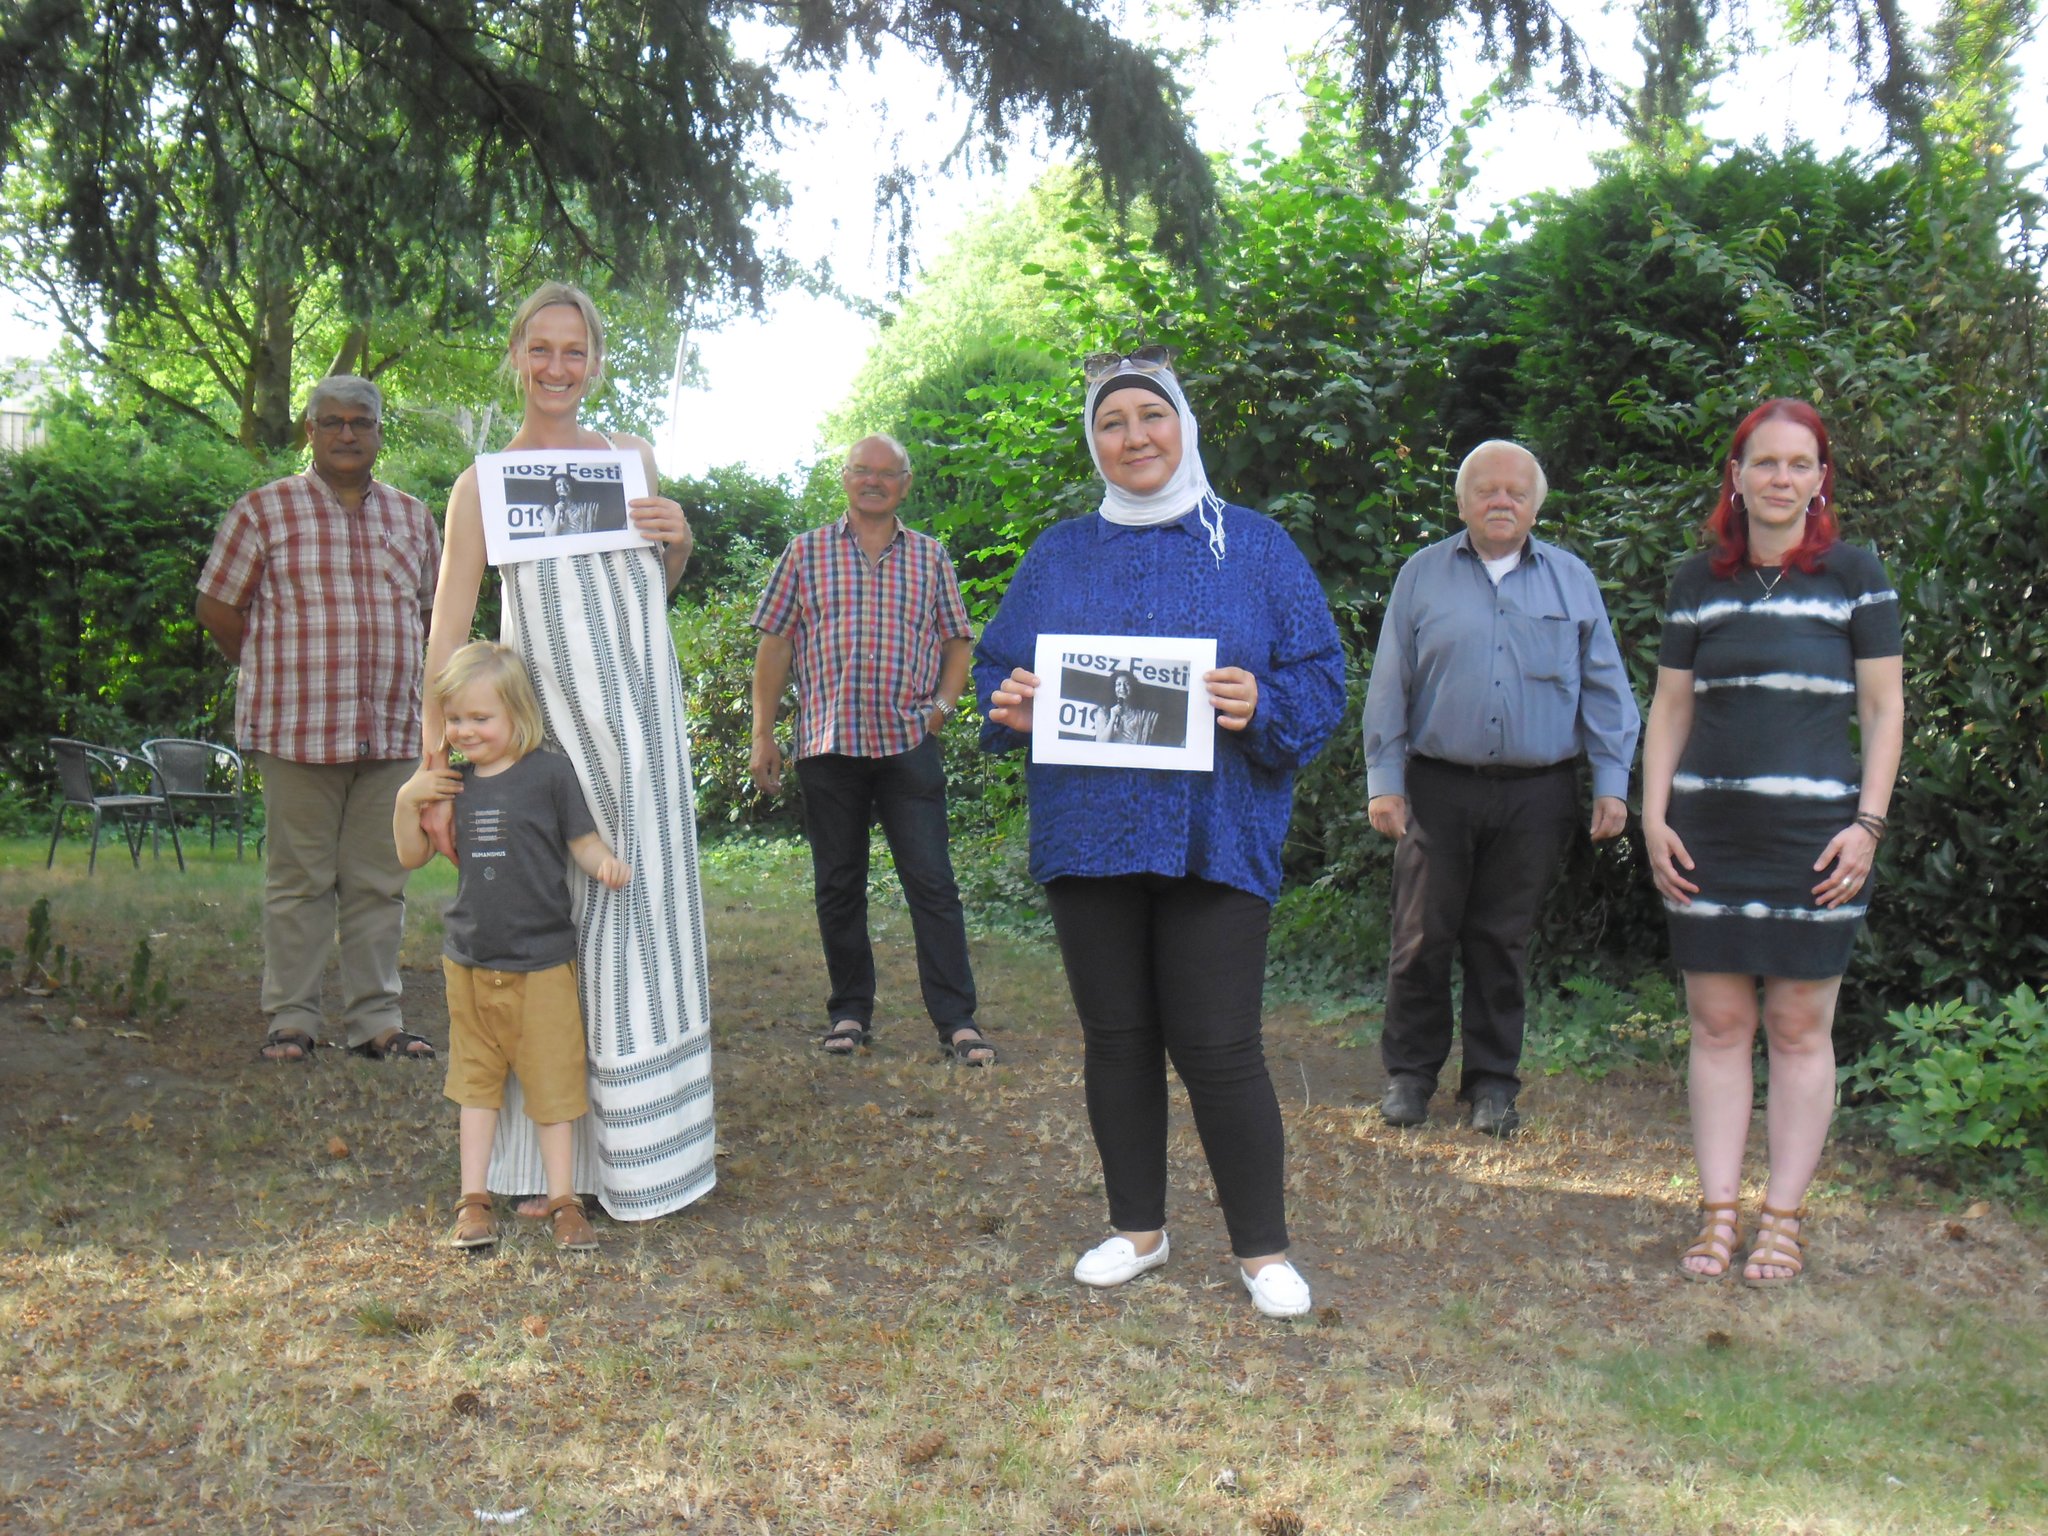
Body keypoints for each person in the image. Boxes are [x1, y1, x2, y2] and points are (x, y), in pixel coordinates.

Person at [977, 347, 1345, 1319]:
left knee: (1219, 1047)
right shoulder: (1057, 555)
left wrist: (1262, 699)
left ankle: (1260, 1250)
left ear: (1182, 426)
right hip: (1087, 835)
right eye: (1111, 421)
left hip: (1214, 835)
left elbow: (1320, 680)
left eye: (1149, 416)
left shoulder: (1255, 548)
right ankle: (1136, 1230)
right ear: (1091, 441)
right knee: (1117, 1039)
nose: (1132, 436)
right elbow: (996, 671)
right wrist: (1004, 703)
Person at [422, 281, 714, 1223]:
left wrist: (678, 539)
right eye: (540, 348)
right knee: (547, 920)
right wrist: (439, 769)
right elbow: (449, 629)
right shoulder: (484, 482)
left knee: (642, 916)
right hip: (543, 734)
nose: (557, 367)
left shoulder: (630, 459)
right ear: (515, 355)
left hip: (644, 731)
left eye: (574, 350)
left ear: (594, 360)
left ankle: (640, 1158)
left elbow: (649, 589)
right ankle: (540, 1165)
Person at [1644, 399, 1902, 1287]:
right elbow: (1671, 706)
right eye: (1765, 463)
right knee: (1717, 1025)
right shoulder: (1697, 581)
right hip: (1707, 834)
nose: (1781, 479)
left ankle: (1782, 1220)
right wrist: (1652, 817)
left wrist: (1867, 825)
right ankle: (1718, 1216)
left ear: (1820, 479)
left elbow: (1883, 709)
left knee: (1798, 1027)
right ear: (1737, 476)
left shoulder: (1856, 577)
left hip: (1818, 840)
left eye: (1799, 464)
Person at [1361, 440, 1640, 1137]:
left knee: (1502, 940)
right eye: (1486, 489)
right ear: (1462, 502)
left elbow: (1607, 690)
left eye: (1516, 491)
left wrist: (1613, 782)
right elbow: (1389, 685)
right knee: (1421, 935)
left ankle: (1492, 1084)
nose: (1501, 501)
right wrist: (1383, 780)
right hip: (1436, 786)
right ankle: (1410, 1076)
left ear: (1536, 504)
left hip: (1537, 792)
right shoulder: (1421, 576)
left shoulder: (1572, 582)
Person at [197, 375, 441, 1064]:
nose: (346, 434)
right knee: (298, 881)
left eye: (360, 422)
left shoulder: (414, 519)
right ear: (309, 431)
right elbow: (218, 605)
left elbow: (430, 619)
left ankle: (377, 1022)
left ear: (379, 432)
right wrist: (270, 669)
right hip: (296, 729)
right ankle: (293, 1020)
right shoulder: (263, 512)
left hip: (392, 730)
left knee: (378, 882)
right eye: (331, 421)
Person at [748, 434, 992, 1065]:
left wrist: (939, 710)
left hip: (907, 743)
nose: (875, 482)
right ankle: (850, 1012)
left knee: (932, 883)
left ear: (905, 485)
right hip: (829, 745)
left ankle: (957, 1020)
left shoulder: (931, 558)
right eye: (864, 471)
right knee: (839, 884)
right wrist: (763, 733)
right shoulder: (804, 553)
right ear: (847, 479)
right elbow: (774, 645)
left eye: (888, 474)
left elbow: (958, 642)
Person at [395, 643, 631, 1251]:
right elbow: (410, 855)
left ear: (517, 715)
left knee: (553, 1087)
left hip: (542, 962)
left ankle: (565, 1201)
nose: (466, 731)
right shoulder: (453, 784)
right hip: (469, 959)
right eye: (456, 720)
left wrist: (603, 862)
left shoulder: (549, 774)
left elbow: (580, 841)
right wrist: (407, 800)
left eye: (481, 718)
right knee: (476, 1083)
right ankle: (472, 1201)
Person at [1095, 669, 1161, 745]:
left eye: (1127, 684)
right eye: (1118, 684)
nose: (1122, 688)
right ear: (1113, 688)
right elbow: (1100, 744)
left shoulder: (1142, 715)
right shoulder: (1103, 712)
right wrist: (1112, 718)